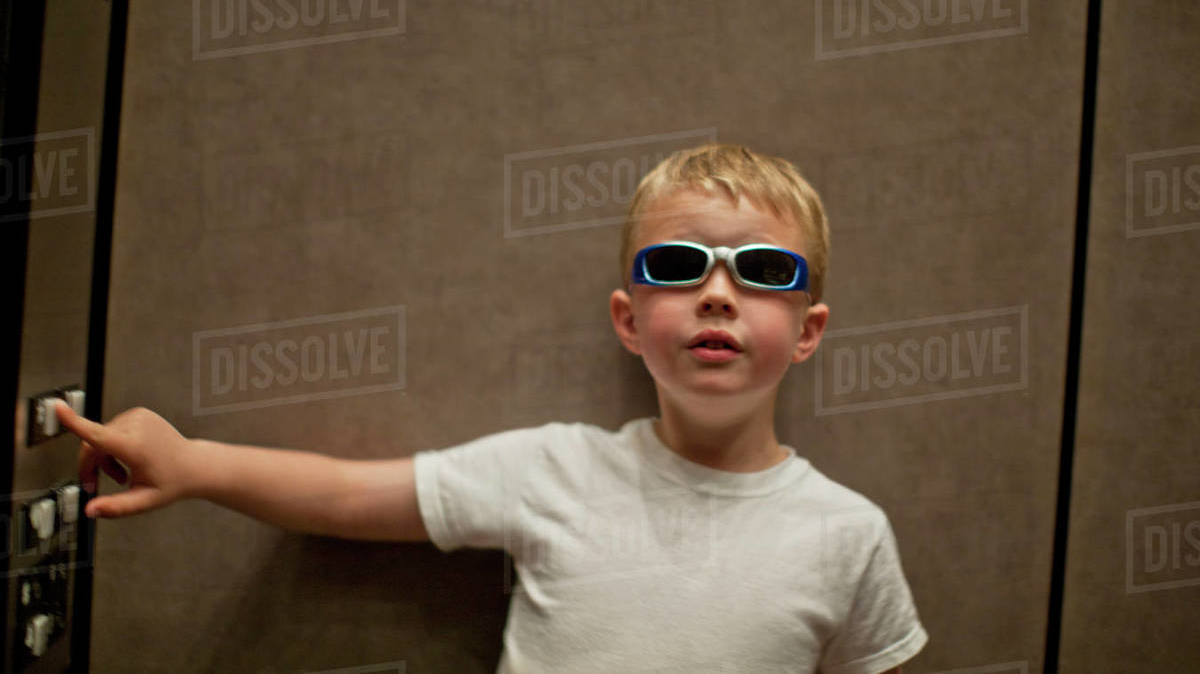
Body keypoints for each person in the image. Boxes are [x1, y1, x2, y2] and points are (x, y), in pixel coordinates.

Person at [55, 143, 928, 673]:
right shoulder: (556, 469)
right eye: (677, 264)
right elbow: (353, 493)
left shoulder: (847, 533)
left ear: (808, 331)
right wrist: (194, 461)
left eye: (765, 270)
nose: (718, 292)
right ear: (628, 319)